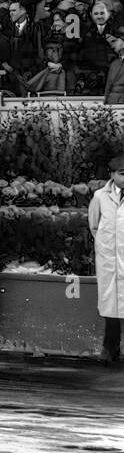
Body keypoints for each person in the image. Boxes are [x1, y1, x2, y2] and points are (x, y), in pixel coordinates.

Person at [88, 154, 124, 366]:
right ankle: (110, 348)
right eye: (122, 174)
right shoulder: (100, 197)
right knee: (111, 307)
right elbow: (94, 226)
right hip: (109, 260)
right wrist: (106, 245)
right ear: (112, 175)